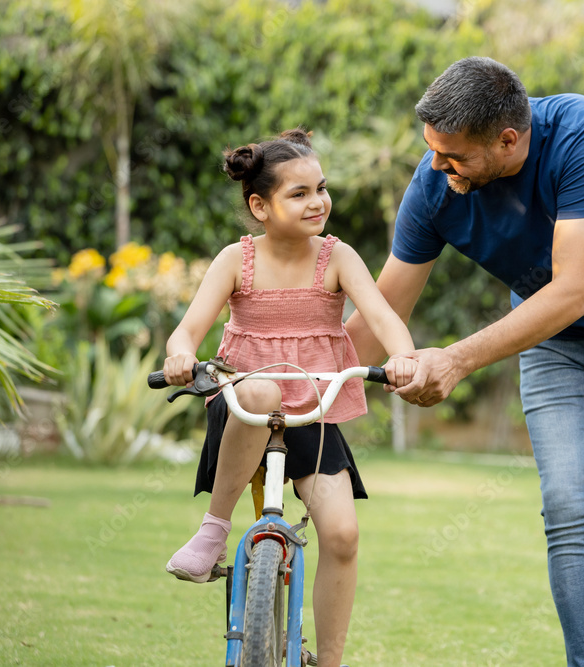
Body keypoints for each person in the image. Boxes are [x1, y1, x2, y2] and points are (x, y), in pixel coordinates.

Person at [346, 57, 584, 667]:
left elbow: (572, 290)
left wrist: (454, 361)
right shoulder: (435, 188)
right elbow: (381, 314)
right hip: (557, 349)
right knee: (569, 512)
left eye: (452, 155)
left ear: (508, 141)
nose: (436, 166)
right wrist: (290, 386)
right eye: (431, 150)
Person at [162, 128, 416, 667]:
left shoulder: (337, 257)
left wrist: (404, 357)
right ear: (260, 205)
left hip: (314, 411)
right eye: (298, 194)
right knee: (260, 385)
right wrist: (181, 354)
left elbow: (381, 316)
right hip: (246, 411)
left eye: (320, 189)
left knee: (343, 534)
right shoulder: (236, 260)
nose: (317, 202)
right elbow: (187, 331)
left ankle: (329, 662)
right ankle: (214, 530)